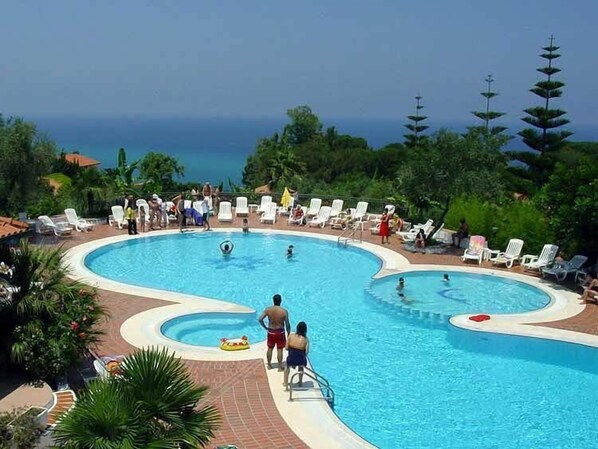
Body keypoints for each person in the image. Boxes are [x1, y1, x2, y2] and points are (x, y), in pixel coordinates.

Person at [258, 294, 291, 371]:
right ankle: (279, 367)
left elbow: (260, 319)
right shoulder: (284, 311)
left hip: (271, 332)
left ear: (273, 301)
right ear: (280, 301)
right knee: (280, 349)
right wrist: (288, 333)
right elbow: (287, 324)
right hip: (280, 332)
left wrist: (265, 327)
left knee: (270, 348)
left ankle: (269, 365)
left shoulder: (268, 310)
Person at [283, 321, 309, 388]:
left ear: (297, 328)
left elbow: (286, 348)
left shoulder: (290, 336)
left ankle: (285, 382)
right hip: (301, 360)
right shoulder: (306, 340)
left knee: (287, 367)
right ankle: (300, 382)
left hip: (291, 359)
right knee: (301, 367)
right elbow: (306, 352)